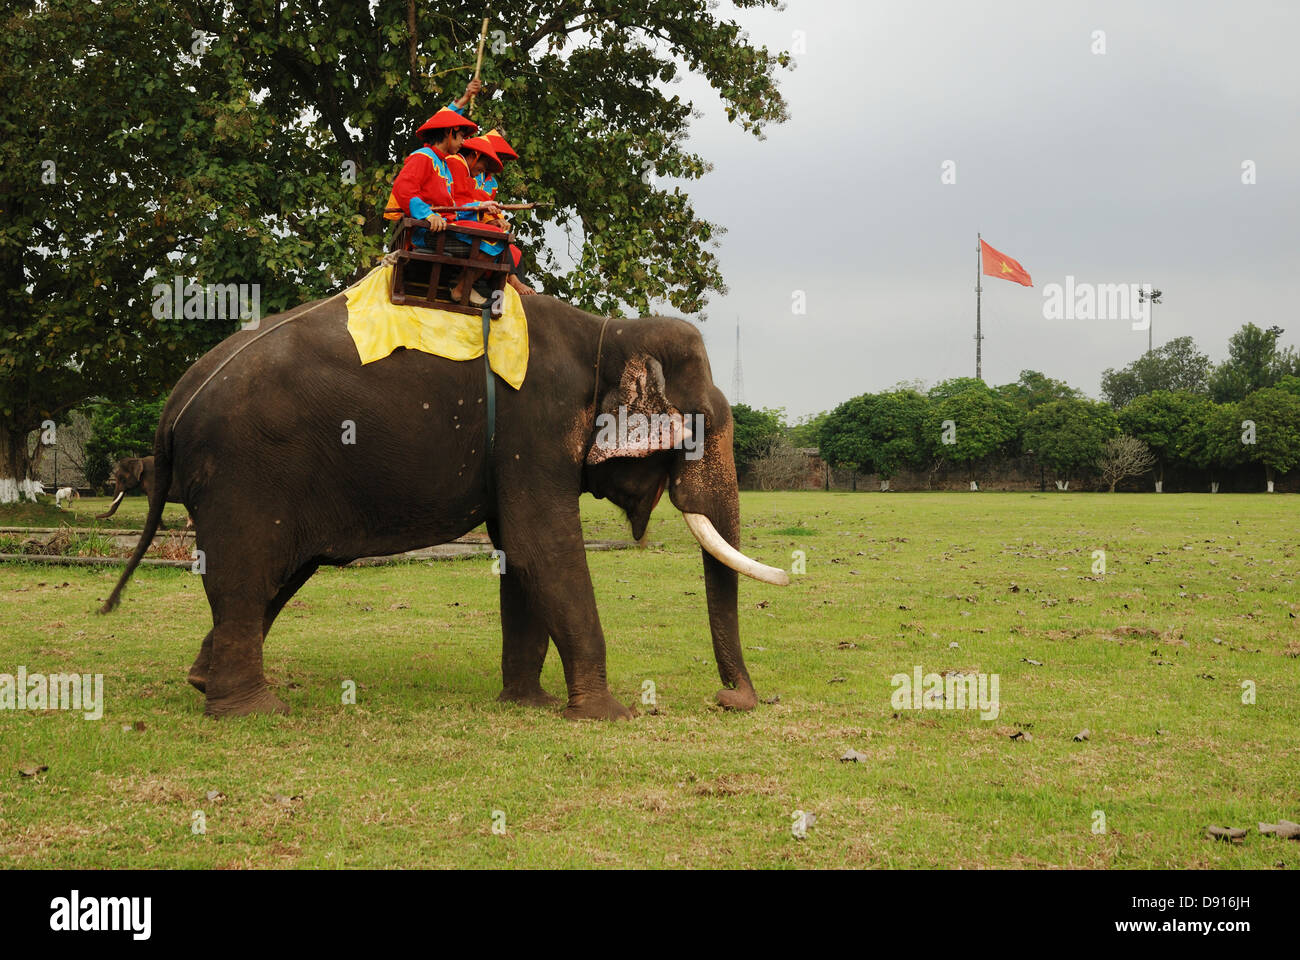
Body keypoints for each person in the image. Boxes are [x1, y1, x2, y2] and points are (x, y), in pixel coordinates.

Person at [386, 80, 504, 304]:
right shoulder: (424, 156)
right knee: (496, 241)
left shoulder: (442, 164)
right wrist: (427, 215)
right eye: (461, 137)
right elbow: (403, 189)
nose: (463, 143)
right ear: (450, 133)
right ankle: (461, 288)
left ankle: (463, 286)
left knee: (496, 235)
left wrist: (479, 207)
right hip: (431, 233)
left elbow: (452, 208)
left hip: (445, 228)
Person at [455, 136, 534, 296]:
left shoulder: (490, 181)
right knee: (500, 238)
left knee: (514, 250)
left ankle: (511, 285)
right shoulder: (457, 164)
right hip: (460, 219)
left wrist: (497, 219)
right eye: (492, 157)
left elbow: (480, 201)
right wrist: (490, 219)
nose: (496, 162)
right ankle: (510, 281)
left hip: (471, 217)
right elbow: (463, 201)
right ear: (477, 155)